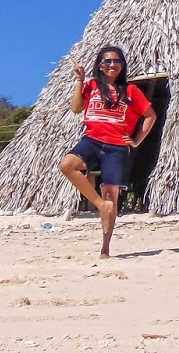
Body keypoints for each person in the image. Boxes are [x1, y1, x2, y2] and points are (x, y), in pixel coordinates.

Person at [59, 46, 155, 258]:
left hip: (117, 147)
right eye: (107, 62)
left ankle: (105, 248)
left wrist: (137, 140)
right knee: (67, 165)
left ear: (123, 65)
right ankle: (100, 205)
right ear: (100, 66)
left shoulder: (130, 91)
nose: (112, 65)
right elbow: (76, 108)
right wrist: (79, 80)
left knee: (111, 194)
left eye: (117, 61)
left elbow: (150, 115)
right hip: (91, 140)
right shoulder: (92, 85)